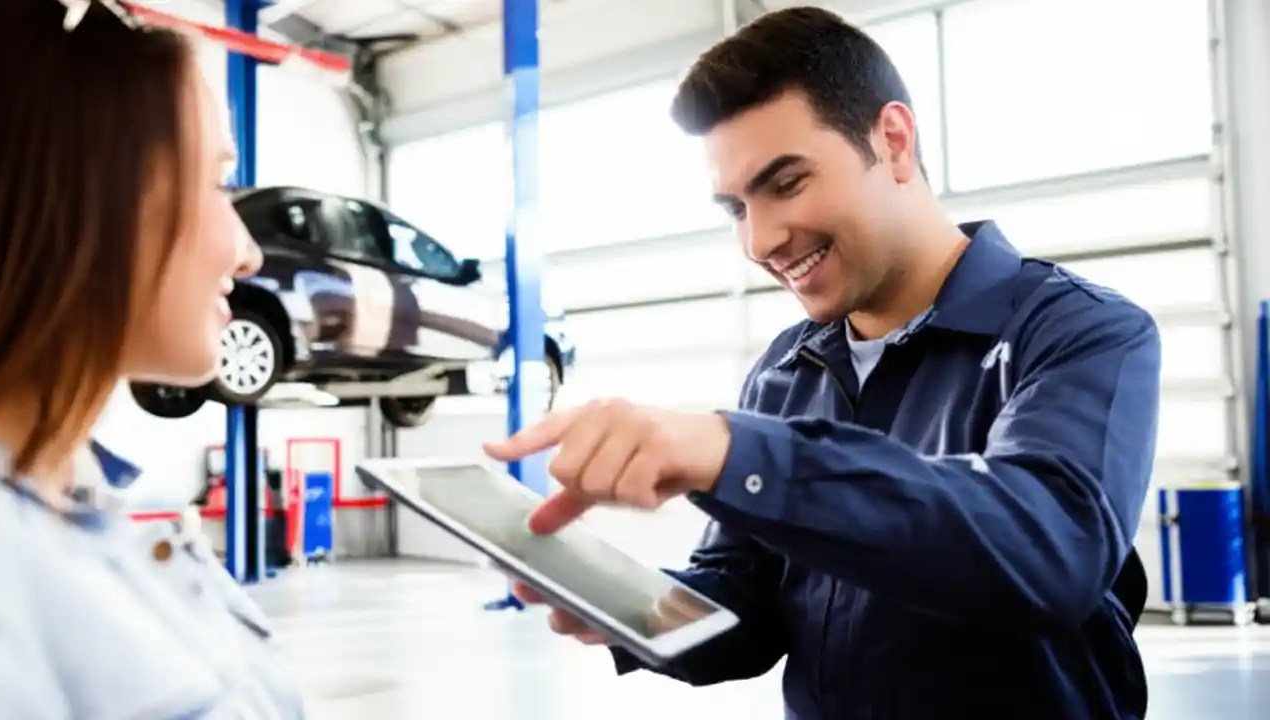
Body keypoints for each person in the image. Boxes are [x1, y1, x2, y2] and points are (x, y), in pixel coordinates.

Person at [486, 6, 1161, 719]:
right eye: (735, 207)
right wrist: (631, 605)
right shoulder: (786, 370)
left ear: (893, 142)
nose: (759, 240)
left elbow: (1050, 547)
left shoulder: (1080, 331)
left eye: (785, 184)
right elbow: (748, 599)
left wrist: (734, 452)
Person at [0, 1, 303, 717]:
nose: (247, 251)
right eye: (220, 185)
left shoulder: (122, 515)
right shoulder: (4, 575)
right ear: (92, 198)